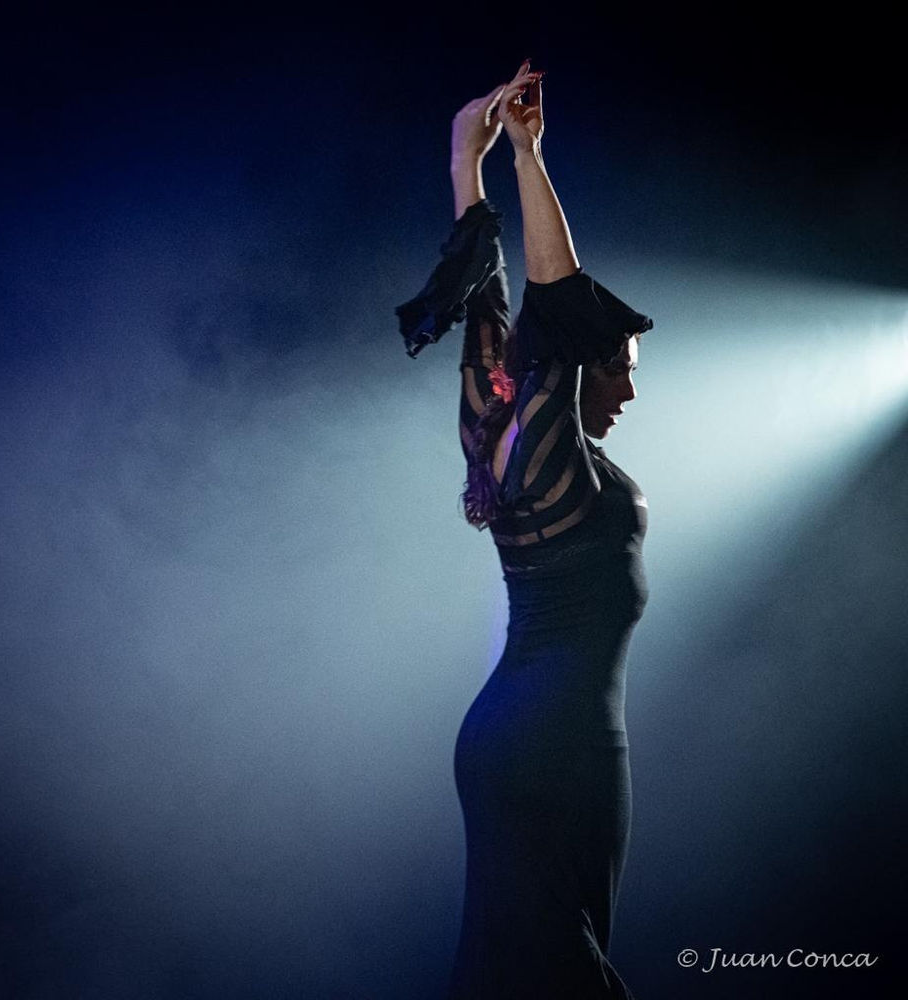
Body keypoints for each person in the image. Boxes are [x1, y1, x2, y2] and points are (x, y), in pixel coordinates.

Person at [396, 61, 654, 998]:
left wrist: (466, 163)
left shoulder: (494, 431)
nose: (628, 385)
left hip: (521, 738)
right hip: (554, 746)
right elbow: (549, 303)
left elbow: (487, 309)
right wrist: (528, 157)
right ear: (575, 368)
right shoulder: (544, 449)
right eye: (618, 365)